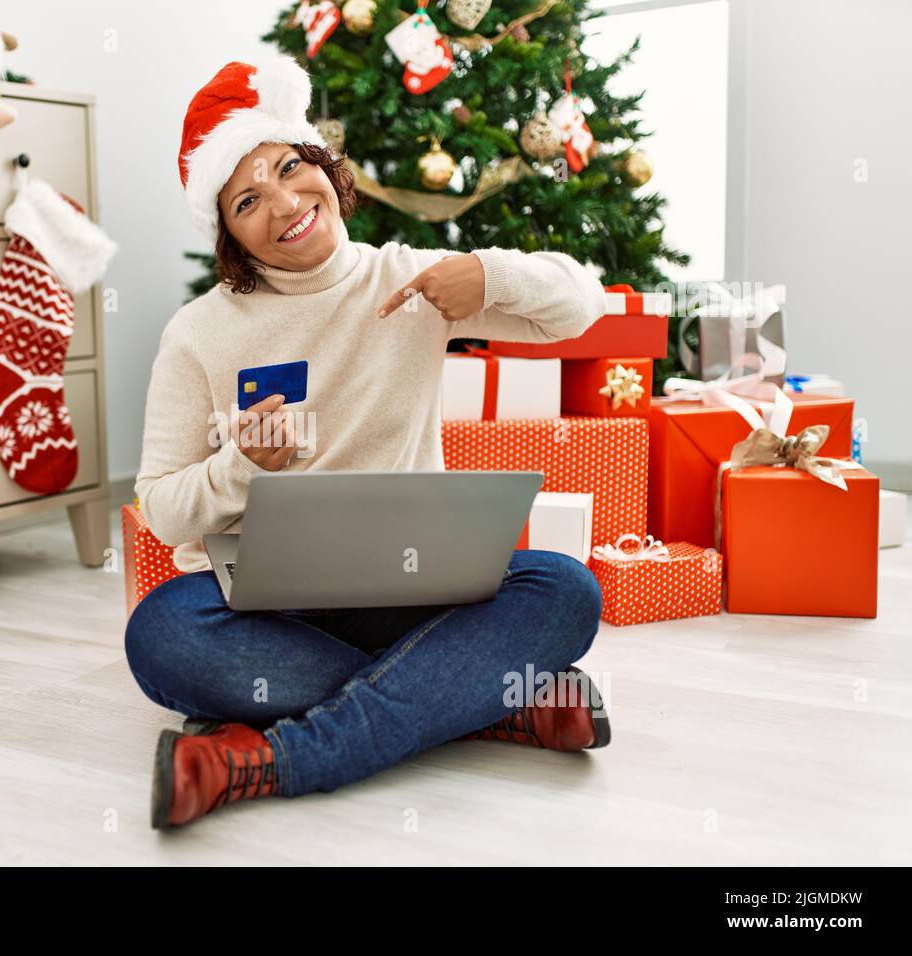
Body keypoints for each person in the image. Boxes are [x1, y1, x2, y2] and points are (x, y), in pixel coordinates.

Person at [127, 56, 610, 829]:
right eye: (249, 199)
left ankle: (272, 759)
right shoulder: (199, 333)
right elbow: (161, 510)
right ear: (229, 233)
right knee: (162, 635)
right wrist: (242, 469)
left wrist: (485, 277)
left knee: (564, 591)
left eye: (291, 167)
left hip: (409, 592)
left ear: (323, 163)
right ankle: (483, 704)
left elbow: (582, 309)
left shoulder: (411, 281)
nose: (286, 203)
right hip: (265, 610)